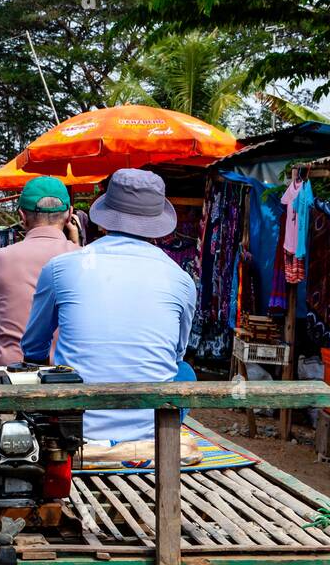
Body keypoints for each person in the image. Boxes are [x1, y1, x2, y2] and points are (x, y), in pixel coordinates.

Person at [22, 168, 198, 443]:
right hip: (150, 431)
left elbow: (33, 348)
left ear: (105, 218)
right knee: (185, 372)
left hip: (75, 427)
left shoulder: (60, 268)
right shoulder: (181, 280)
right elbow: (175, 355)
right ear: (158, 224)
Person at [0, 176, 79, 366]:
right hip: (66, 369)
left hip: (12, 369)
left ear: (22, 216)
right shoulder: (82, 257)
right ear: (69, 215)